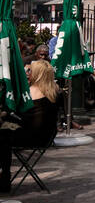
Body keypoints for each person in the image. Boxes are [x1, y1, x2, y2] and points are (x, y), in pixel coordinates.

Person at [0, 59, 61, 193]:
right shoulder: (55, 91)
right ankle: (4, 178)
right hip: (47, 136)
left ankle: (4, 179)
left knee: (2, 137)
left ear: (37, 74)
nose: (27, 72)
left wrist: (5, 114)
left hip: (32, 136)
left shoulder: (30, 92)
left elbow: (21, 117)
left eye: (30, 70)